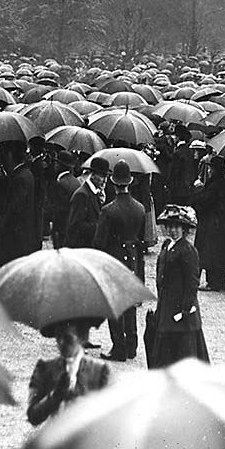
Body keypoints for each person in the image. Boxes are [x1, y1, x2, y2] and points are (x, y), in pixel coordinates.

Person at [93, 161, 147, 362]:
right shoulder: (140, 208)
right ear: (130, 182)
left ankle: (119, 347)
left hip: (114, 256)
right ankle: (131, 345)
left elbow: (99, 242)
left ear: (114, 184)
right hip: (132, 257)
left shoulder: (108, 210)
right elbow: (142, 238)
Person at [148, 205, 209, 368]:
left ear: (184, 229)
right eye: (170, 227)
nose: (173, 230)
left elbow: (192, 283)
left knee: (183, 352)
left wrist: (185, 308)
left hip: (181, 310)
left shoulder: (188, 250)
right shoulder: (166, 246)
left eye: (177, 227)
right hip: (166, 304)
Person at [26, 318, 110, 426]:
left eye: (68, 338)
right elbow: (33, 416)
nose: (61, 343)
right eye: (58, 337)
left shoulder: (99, 371)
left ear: (82, 337)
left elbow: (108, 417)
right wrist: (55, 396)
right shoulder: (45, 368)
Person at [190, 155, 225, 292]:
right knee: (219, 253)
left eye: (211, 168)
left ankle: (213, 282)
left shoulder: (213, 185)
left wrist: (198, 190)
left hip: (211, 223)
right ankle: (220, 281)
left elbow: (204, 202)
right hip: (222, 223)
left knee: (209, 252)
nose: (209, 171)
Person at [1, 144, 38, 263]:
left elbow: (16, 207)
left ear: (10, 155)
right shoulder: (26, 173)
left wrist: (4, 223)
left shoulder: (19, 178)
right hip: (24, 232)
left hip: (17, 234)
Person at [65, 157, 108, 249]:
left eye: (106, 177)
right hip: (80, 248)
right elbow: (76, 225)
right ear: (92, 175)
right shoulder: (82, 195)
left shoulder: (94, 193)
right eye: (102, 176)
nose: (104, 181)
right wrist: (100, 226)